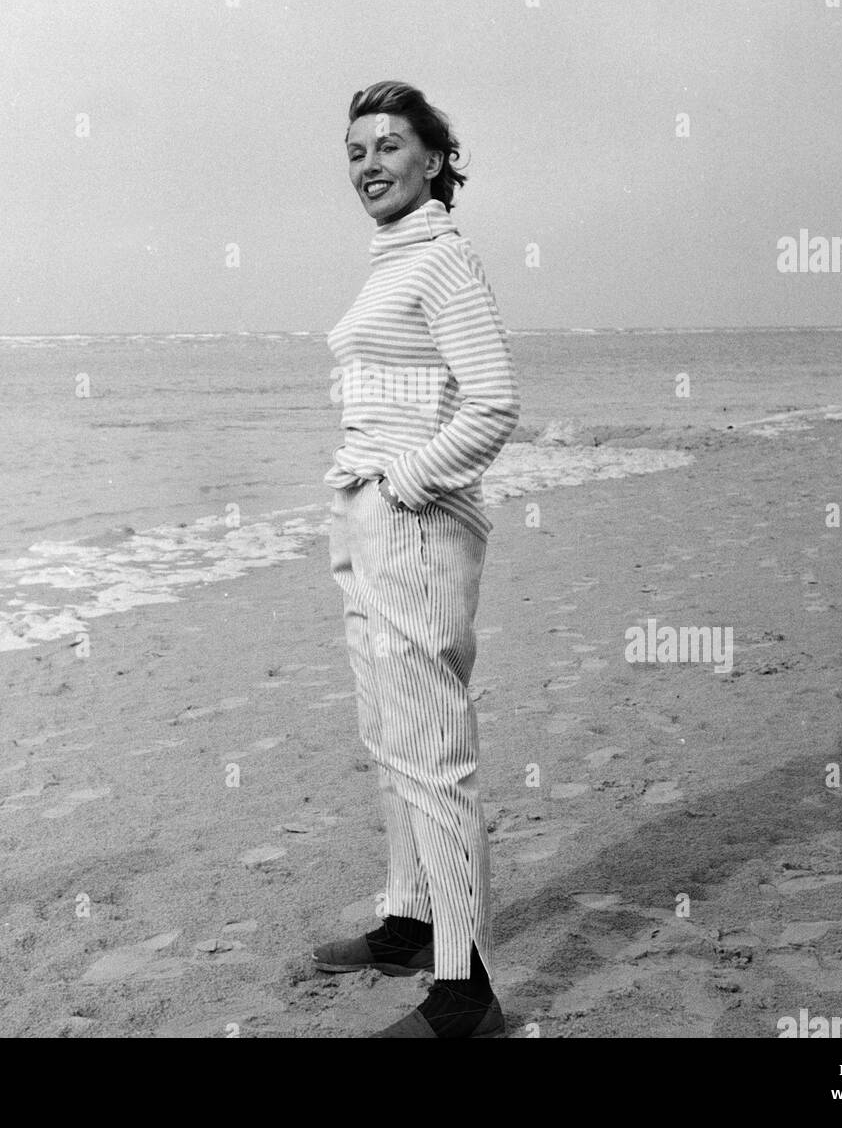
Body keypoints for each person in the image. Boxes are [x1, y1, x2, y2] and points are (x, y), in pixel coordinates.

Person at [315, 80, 520, 1038]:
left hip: (417, 520)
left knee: (432, 753)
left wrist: (400, 484)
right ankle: (410, 920)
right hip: (365, 518)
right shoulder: (391, 261)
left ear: (434, 160)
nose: (369, 166)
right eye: (356, 151)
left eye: (389, 147)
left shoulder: (441, 260)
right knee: (386, 735)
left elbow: (491, 405)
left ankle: (465, 991)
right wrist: (365, 495)